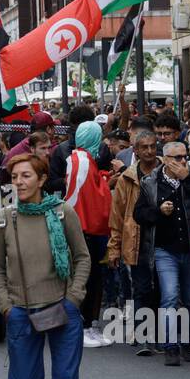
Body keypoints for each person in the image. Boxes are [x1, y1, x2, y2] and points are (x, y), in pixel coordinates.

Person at [0, 153, 91, 379]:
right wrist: (5, 305)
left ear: (42, 179)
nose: (18, 182)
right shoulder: (4, 219)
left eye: (25, 176)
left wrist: (73, 298)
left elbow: (82, 258)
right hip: (20, 311)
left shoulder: (63, 213)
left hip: (62, 309)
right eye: (14, 177)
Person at [134, 140, 190, 365]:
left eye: (184, 156)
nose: (183, 161)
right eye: (177, 158)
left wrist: (187, 178)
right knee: (169, 295)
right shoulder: (151, 182)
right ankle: (170, 346)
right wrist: (158, 211)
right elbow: (139, 214)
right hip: (165, 250)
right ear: (165, 159)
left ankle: (186, 342)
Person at [56, 122, 113, 348]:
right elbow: (78, 194)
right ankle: (82, 325)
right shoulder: (79, 160)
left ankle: (89, 324)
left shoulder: (84, 159)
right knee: (85, 279)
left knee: (94, 278)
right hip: (84, 228)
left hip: (89, 227)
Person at [108, 129, 161, 355]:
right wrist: (114, 247)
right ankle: (144, 336)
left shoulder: (166, 172)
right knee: (141, 288)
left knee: (162, 288)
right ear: (136, 151)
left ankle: (162, 335)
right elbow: (117, 215)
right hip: (136, 239)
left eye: (152, 146)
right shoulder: (127, 178)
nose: (149, 151)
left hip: (163, 240)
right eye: (144, 147)